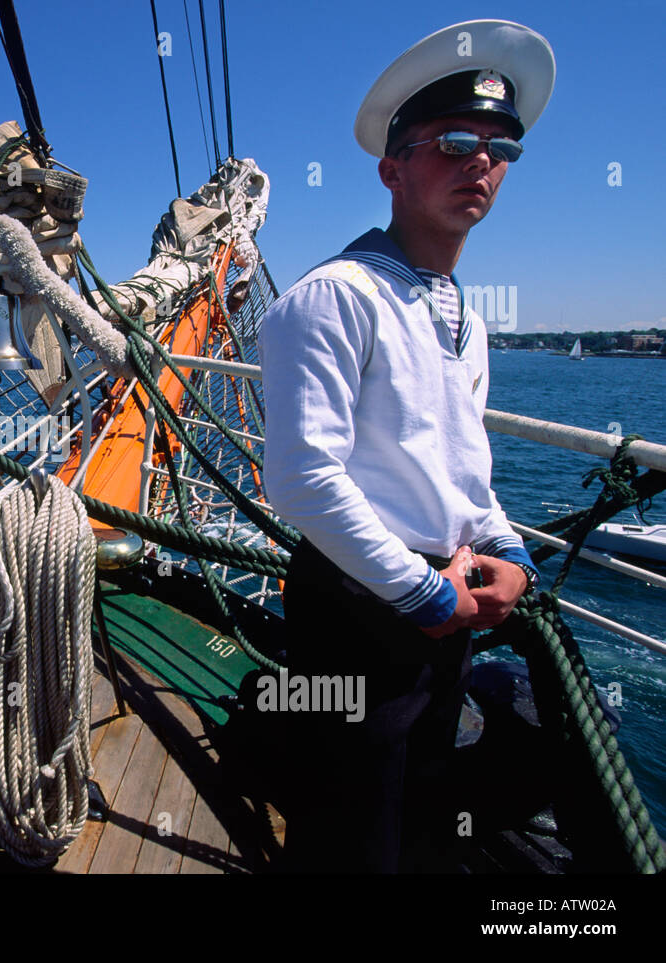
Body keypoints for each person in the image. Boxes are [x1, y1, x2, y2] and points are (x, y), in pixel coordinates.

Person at [256, 20, 554, 872]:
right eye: (454, 142)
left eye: (501, 147)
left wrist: (507, 549)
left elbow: (464, 470)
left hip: (441, 602)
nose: (481, 162)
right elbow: (302, 479)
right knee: (347, 827)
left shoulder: (467, 318)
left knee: (420, 803)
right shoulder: (332, 300)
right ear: (391, 170)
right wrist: (425, 596)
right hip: (359, 609)